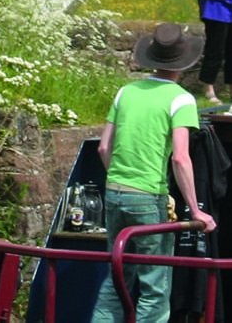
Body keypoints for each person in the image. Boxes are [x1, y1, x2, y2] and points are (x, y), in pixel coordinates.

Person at [90, 23, 217, 323]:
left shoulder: (125, 93)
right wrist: (197, 211)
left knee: (116, 278)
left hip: (115, 192)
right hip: (148, 197)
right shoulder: (182, 100)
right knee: (155, 287)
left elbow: (103, 149)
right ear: (183, 63)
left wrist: (121, 182)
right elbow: (181, 159)